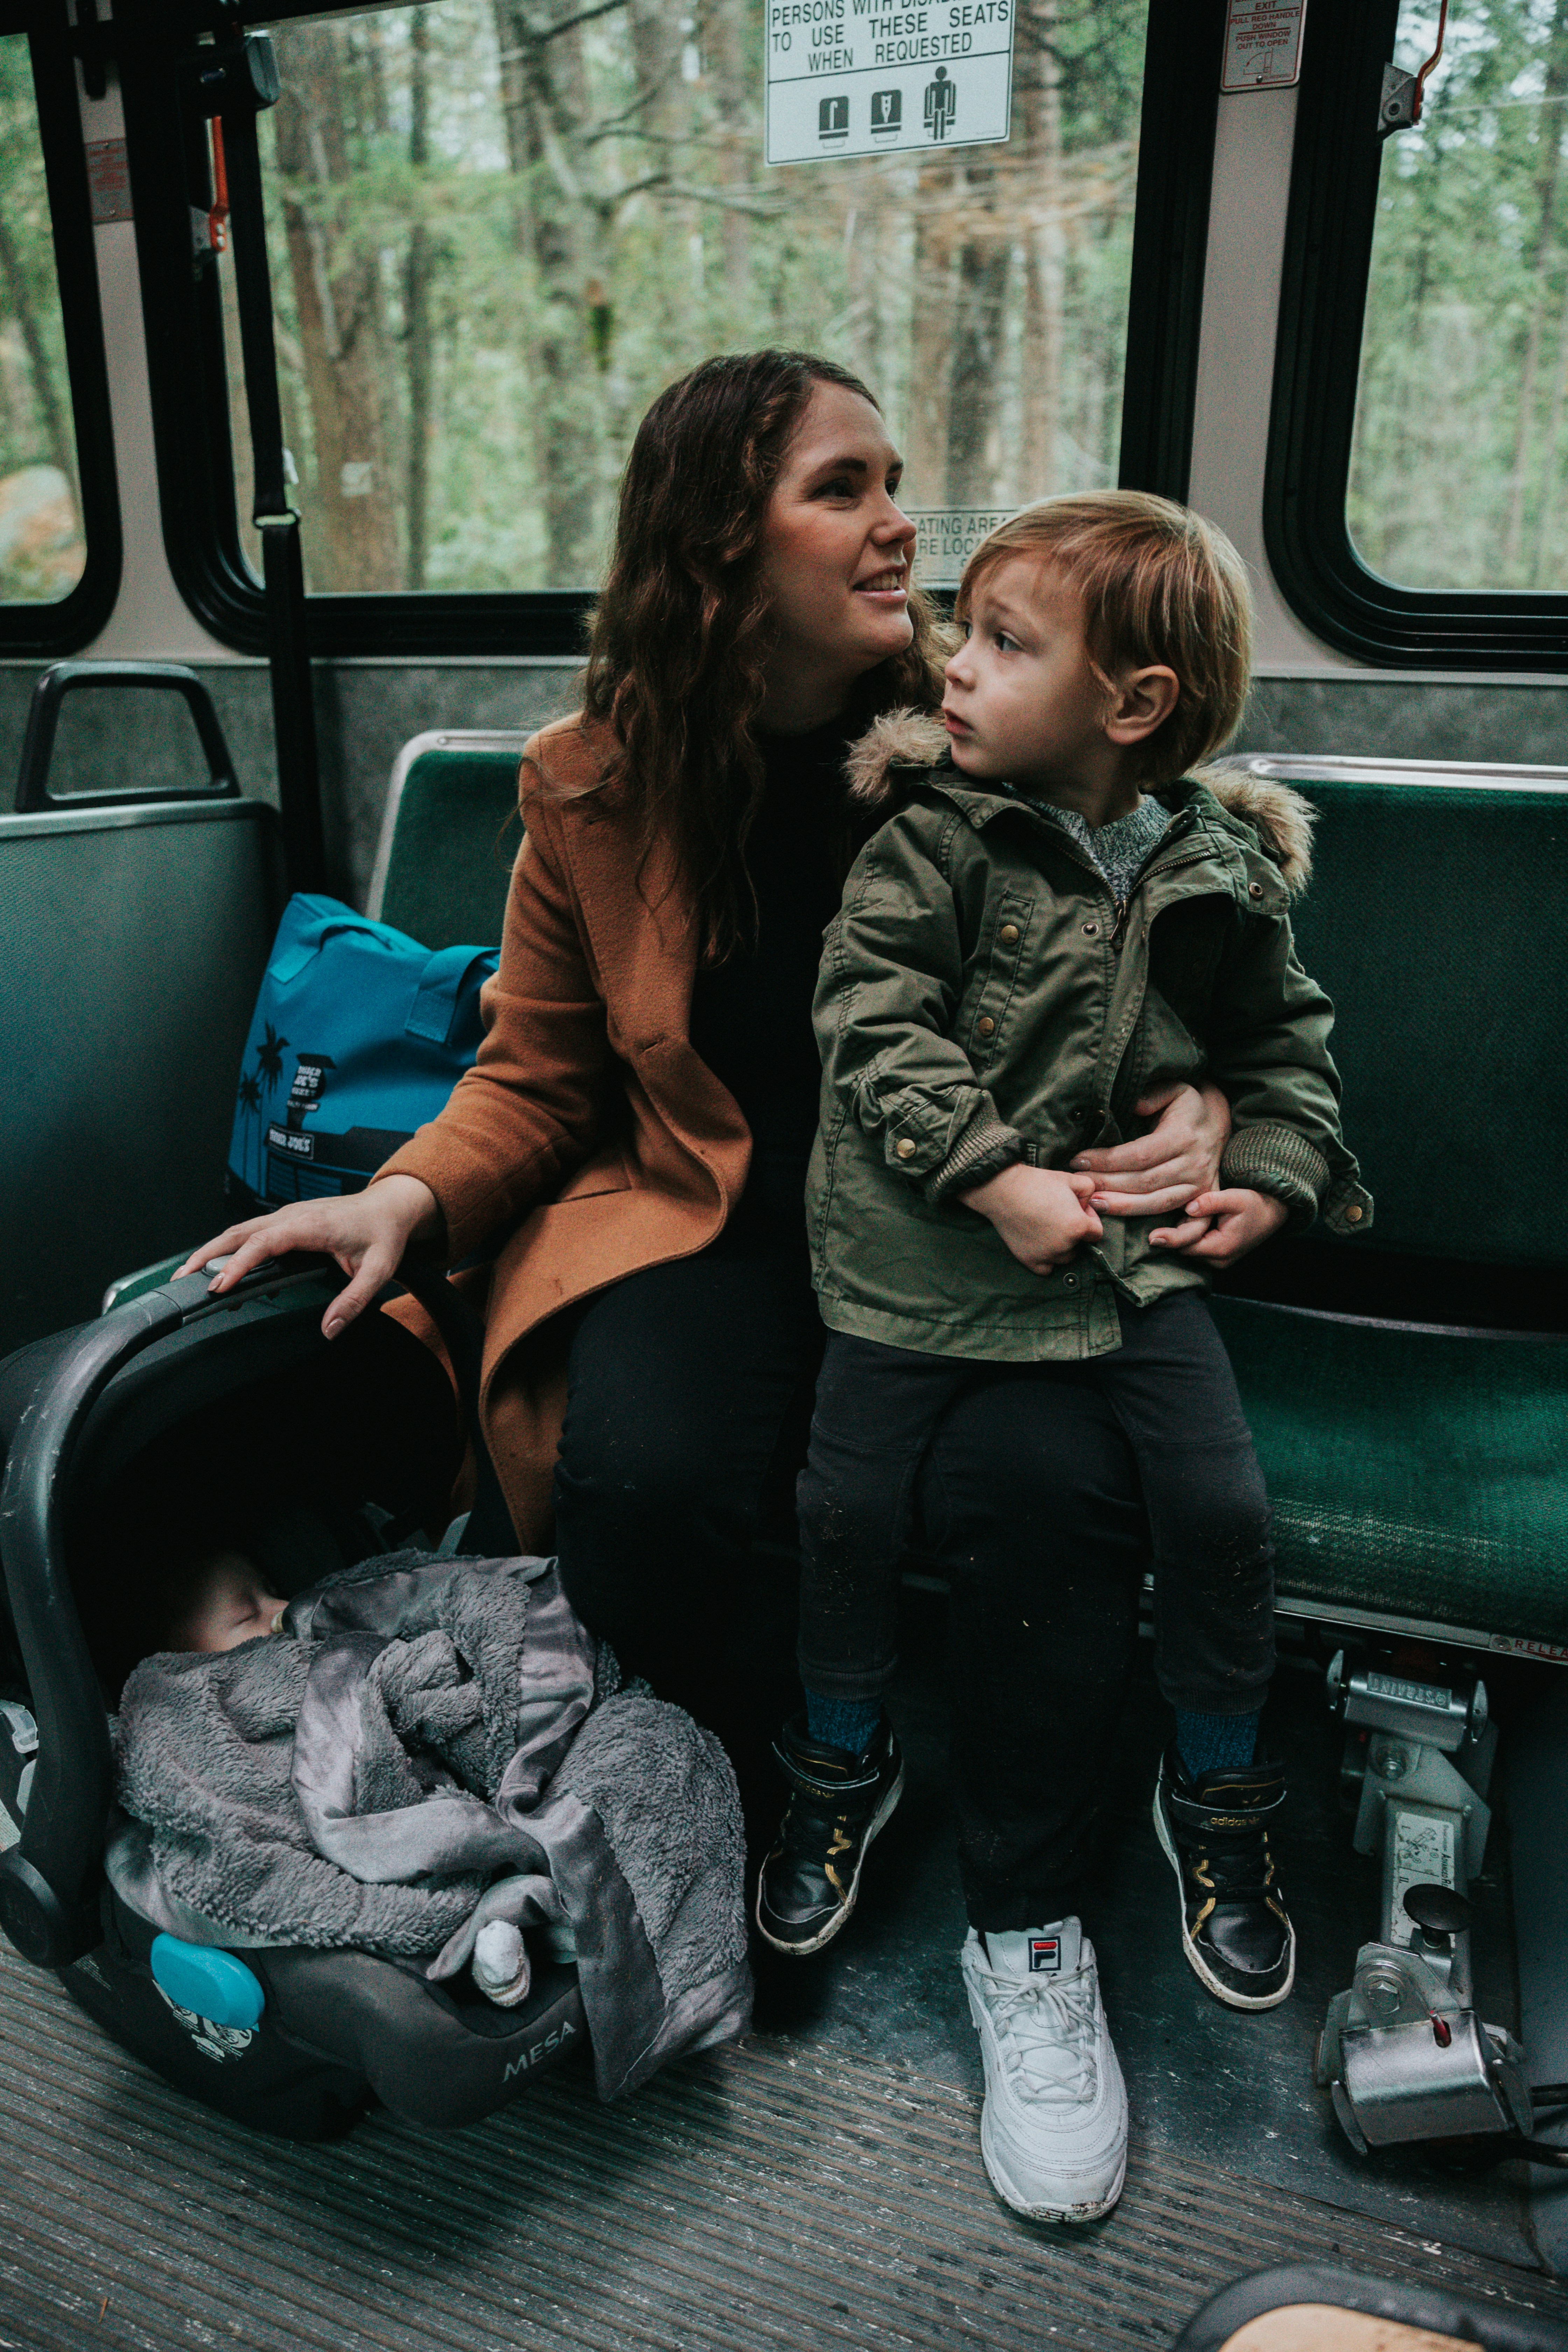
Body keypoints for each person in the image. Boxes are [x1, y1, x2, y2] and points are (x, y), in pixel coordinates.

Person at [177, 353, 1231, 1817]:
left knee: (1045, 1489)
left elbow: (1163, 952)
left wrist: (1205, 1107)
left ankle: (1017, 1871)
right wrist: (401, 1200)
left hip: (954, 1218)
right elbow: (538, 1077)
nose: (899, 527)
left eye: (895, 485)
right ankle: (686, 1790)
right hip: (716, 1216)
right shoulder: (593, 784)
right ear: (720, 541)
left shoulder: (988, 730)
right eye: (841, 488)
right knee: (639, 1482)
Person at [755, 491, 1370, 2222]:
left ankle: (1219, 1786)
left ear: (1132, 709)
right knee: (846, 1517)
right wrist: (993, 1173)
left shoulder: (1216, 871)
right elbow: (866, 1026)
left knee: (1218, 1506)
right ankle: (836, 1761)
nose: (953, 663)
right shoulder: (928, 843)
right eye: (965, 628)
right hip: (914, 1270)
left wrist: (1262, 1174)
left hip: (1128, 1278)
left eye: (1006, 646)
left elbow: (1284, 1049)